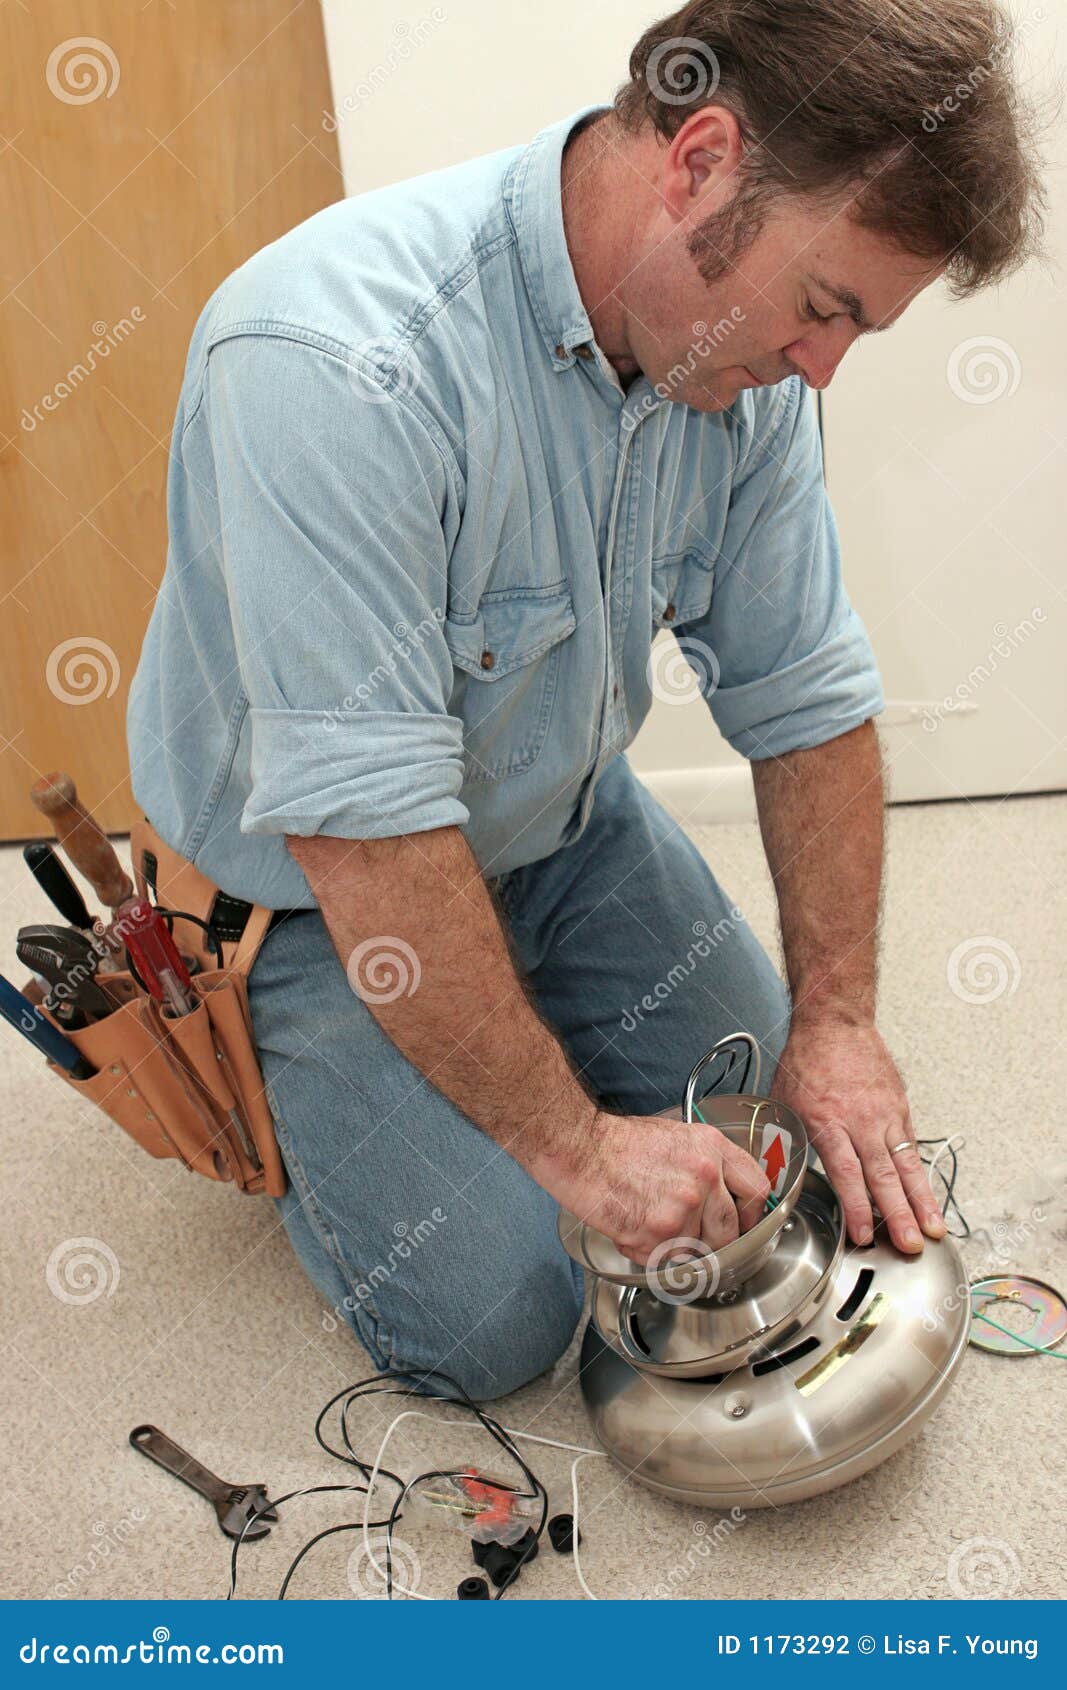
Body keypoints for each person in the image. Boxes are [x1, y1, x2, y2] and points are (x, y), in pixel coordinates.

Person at [127, 1, 1044, 1398]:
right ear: (702, 162)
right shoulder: (335, 360)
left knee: (769, 1109)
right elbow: (369, 837)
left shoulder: (742, 376)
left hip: (556, 818)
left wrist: (842, 1019)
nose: (823, 368)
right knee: (496, 1319)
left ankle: (523, 1027)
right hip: (308, 894)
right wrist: (582, 1150)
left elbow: (806, 700)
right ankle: (278, 1078)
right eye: (824, 307)